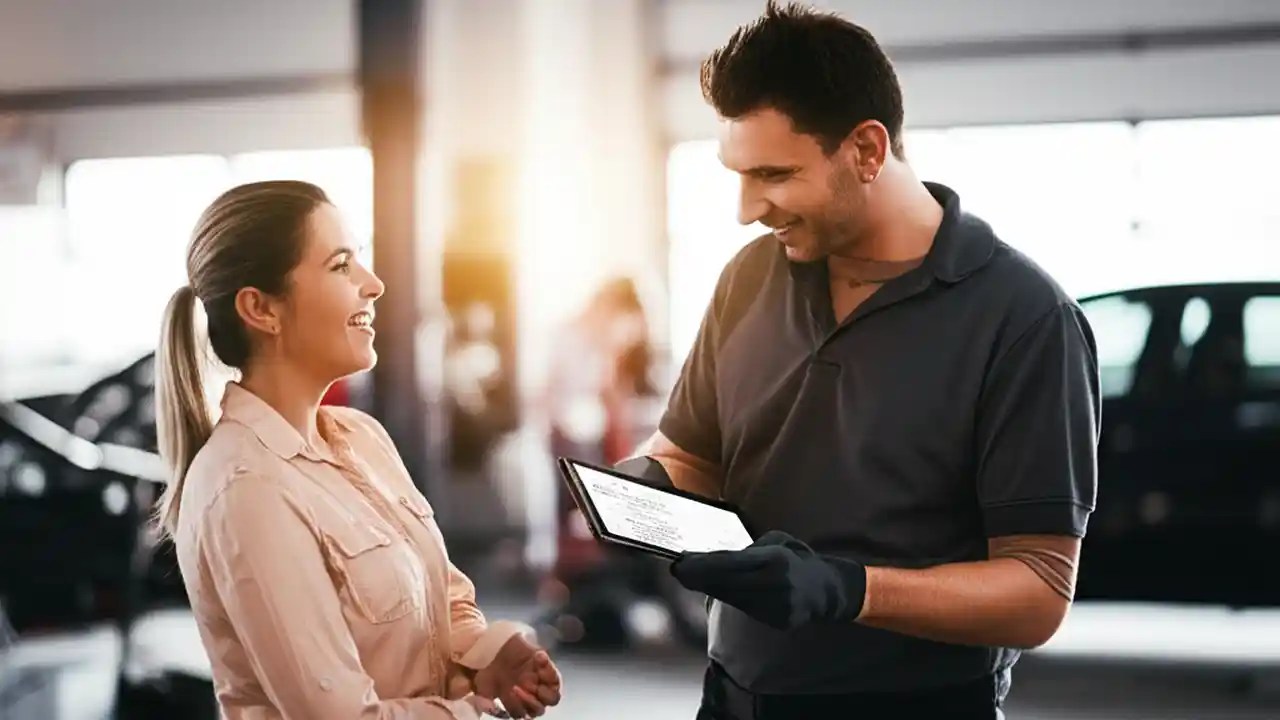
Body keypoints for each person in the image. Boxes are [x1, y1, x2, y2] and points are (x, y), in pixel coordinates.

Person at [625, 3, 1100, 718]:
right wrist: (649, 485)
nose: (747, 208)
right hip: (730, 698)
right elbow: (693, 450)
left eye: (773, 174)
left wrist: (848, 590)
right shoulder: (750, 277)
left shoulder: (1025, 319)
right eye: (737, 174)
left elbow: (1037, 591)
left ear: (868, 151)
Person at [154, 181, 563, 719]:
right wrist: (479, 713)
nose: (373, 284)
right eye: (341, 265)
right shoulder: (245, 487)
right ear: (261, 308)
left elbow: (439, 593)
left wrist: (489, 652)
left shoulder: (359, 438)